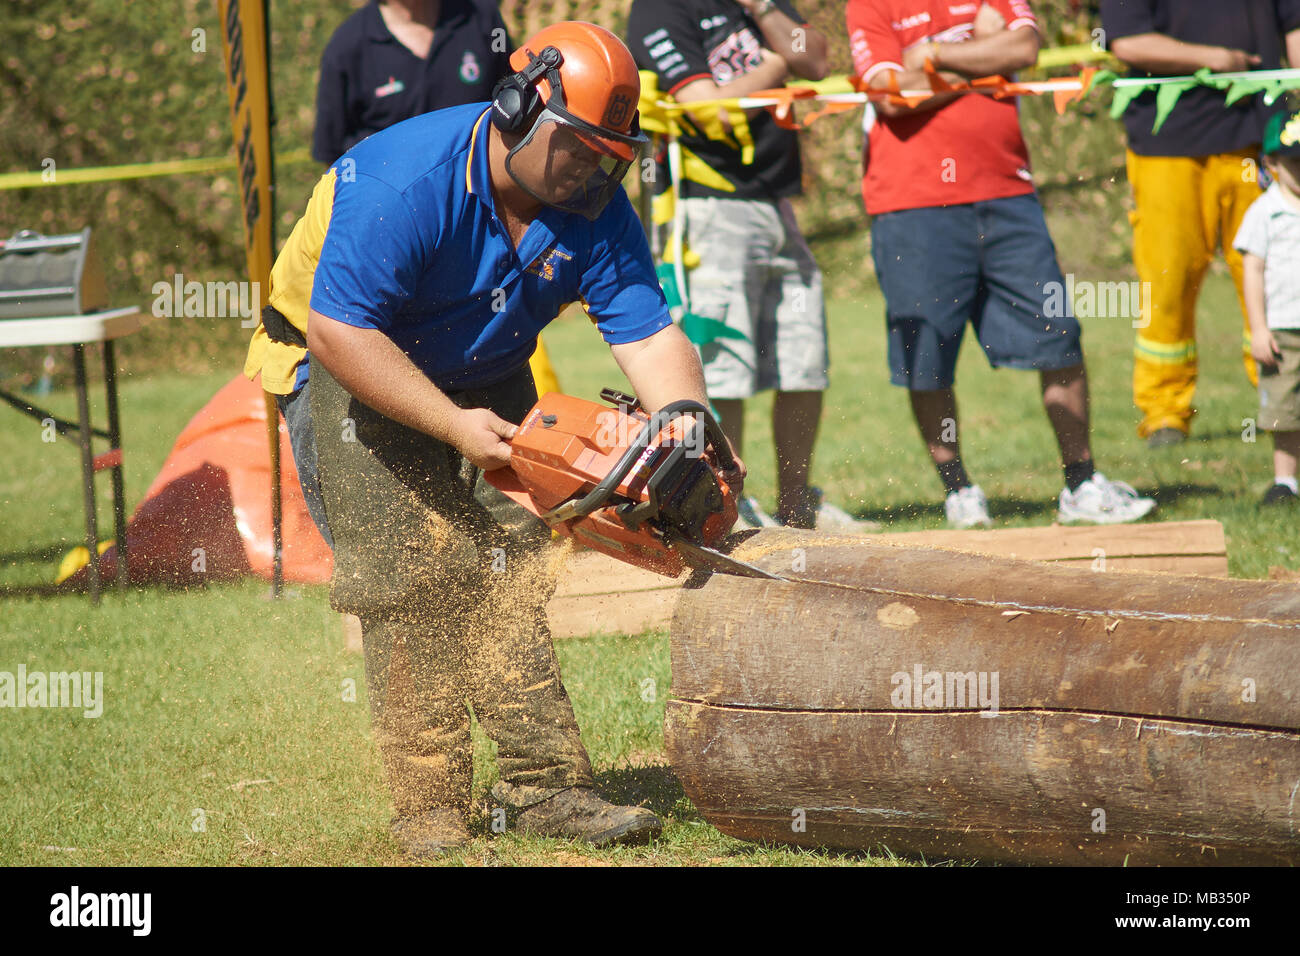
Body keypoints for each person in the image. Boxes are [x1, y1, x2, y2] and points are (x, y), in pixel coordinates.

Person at [244, 21, 742, 858]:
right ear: (520, 107)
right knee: (409, 572)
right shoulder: (403, 181)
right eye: (581, 149)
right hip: (348, 361)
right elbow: (341, 333)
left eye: (611, 156)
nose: (595, 170)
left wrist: (686, 427)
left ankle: (547, 788)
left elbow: (650, 337)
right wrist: (449, 423)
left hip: (488, 360)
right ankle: (428, 809)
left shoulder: (592, 207)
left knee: (509, 561)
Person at [846, 0, 1155, 527]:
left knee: (1058, 334)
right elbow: (892, 97)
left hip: (1008, 194)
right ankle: (959, 491)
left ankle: (1081, 484)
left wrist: (937, 54)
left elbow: (1024, 47)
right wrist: (978, 61)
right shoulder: (869, 5)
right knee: (928, 356)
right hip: (911, 204)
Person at [626, 0, 863, 532]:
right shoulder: (658, 11)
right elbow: (707, 105)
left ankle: (797, 505)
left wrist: (763, 11)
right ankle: (731, 504)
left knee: (805, 358)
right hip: (709, 208)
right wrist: (779, 63)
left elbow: (818, 59)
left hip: (777, 203)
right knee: (723, 364)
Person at [1099, 0, 1300, 448]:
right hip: (1167, 140)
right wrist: (1212, 58)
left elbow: (1294, 26)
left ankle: (1286, 398)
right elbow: (1128, 41)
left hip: (1261, 140)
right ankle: (1165, 412)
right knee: (1167, 282)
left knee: (1280, 278)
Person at [312, 0, 514, 166]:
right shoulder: (346, 48)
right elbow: (332, 152)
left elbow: (512, 97)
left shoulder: (485, 20)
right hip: (389, 202)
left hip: (477, 193)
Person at [1234, 110, 1300, 506]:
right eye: (1296, 162)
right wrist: (1258, 329)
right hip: (1283, 329)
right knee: (1285, 408)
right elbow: (1252, 273)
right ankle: (1285, 482)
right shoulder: (1264, 211)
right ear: (1271, 163)